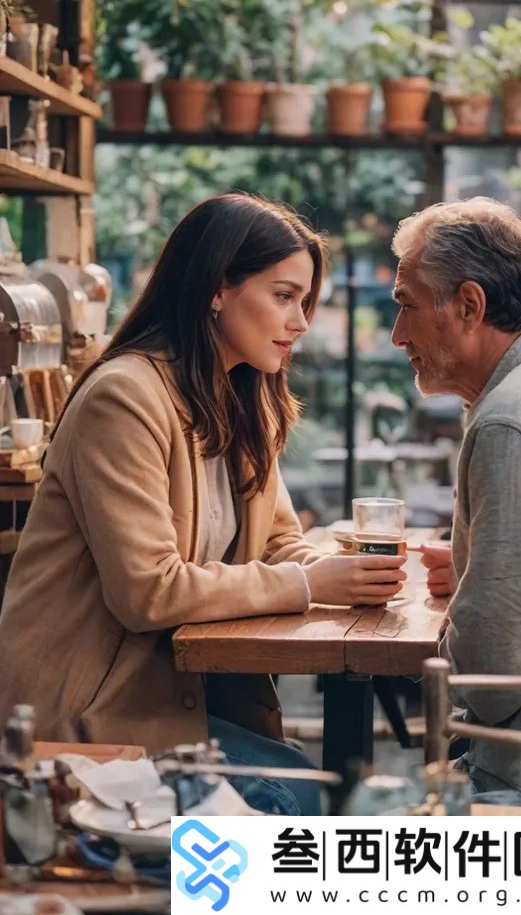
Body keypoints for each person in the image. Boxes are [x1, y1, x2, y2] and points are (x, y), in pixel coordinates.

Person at [0, 194, 405, 815]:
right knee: (294, 793)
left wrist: (355, 576)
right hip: (88, 712)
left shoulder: (243, 397)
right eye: (283, 296)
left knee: (309, 782)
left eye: (305, 302)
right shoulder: (126, 398)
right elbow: (148, 592)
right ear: (218, 289)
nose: (299, 322)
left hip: (183, 696)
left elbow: (277, 543)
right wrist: (307, 581)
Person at [390, 196, 521, 807]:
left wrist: (472, 599)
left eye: (406, 306)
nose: (395, 336)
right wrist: (472, 568)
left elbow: (496, 666)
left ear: (469, 306)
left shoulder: (511, 420)